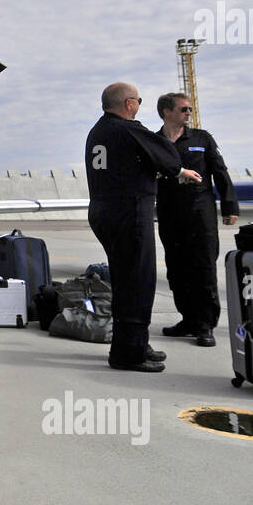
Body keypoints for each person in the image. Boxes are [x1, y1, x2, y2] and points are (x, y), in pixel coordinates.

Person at [86, 83, 201, 372]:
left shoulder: (98, 131)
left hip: (104, 211)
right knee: (137, 282)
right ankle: (129, 354)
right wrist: (177, 169)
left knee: (125, 281)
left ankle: (134, 342)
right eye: (138, 100)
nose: (139, 105)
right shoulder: (128, 128)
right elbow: (167, 154)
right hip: (129, 212)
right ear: (128, 104)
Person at [155, 92, 239, 347]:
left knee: (203, 268)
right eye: (183, 109)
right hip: (170, 214)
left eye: (190, 109)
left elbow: (220, 172)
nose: (189, 113)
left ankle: (205, 325)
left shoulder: (202, 138)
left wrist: (229, 205)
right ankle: (188, 319)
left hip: (200, 213)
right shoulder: (154, 141)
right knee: (177, 270)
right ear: (166, 112)